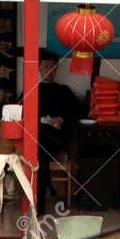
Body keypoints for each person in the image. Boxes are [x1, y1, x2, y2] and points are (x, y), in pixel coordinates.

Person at [36, 54, 80, 213]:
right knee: (39, 152)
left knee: (40, 153)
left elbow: (79, 112)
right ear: (39, 67)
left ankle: (40, 205)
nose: (49, 70)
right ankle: (46, 189)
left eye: (52, 67)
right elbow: (20, 114)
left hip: (54, 140)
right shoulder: (32, 91)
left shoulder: (63, 91)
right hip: (36, 139)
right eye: (46, 66)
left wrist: (61, 118)